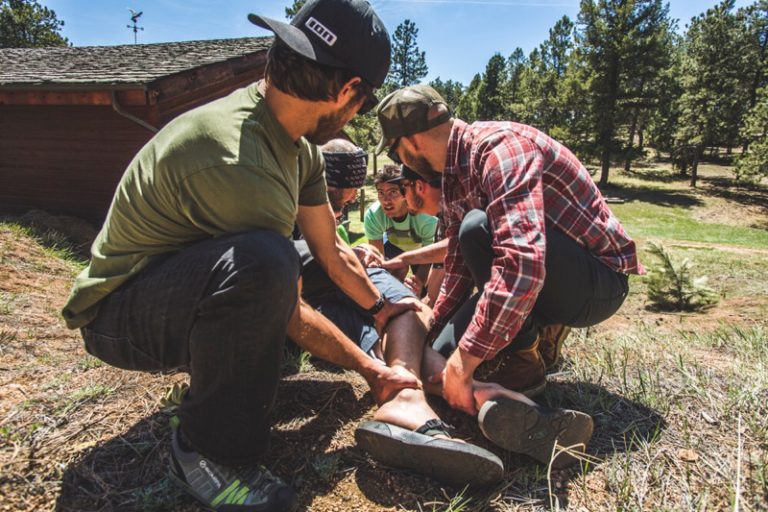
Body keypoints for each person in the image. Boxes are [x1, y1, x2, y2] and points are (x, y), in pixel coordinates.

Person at [61, 2, 419, 511]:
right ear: (346, 91)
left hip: (184, 282)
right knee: (267, 262)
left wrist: (384, 310)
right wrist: (369, 369)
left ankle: (281, 357)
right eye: (363, 103)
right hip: (118, 314)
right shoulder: (237, 156)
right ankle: (208, 449)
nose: (357, 114)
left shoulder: (300, 148)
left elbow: (331, 250)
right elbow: (286, 303)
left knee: (292, 256)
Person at [375, 85, 644, 454]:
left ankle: (523, 362)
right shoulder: (454, 174)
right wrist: (431, 329)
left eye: (394, 151)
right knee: (437, 350)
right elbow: (457, 267)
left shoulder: (501, 148)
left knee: (476, 227)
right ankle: (517, 404)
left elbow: (522, 265)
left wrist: (466, 359)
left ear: (409, 142)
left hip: (596, 283)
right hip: (542, 284)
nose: (399, 159)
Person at [300, 146, 595, 475]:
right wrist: (385, 305)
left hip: (327, 290)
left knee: (388, 326)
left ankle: (442, 399)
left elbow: (441, 264)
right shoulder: (302, 201)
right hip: (325, 283)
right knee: (401, 315)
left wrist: (396, 286)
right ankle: (469, 397)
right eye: (354, 189)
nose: (358, 197)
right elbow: (326, 253)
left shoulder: (300, 203)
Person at [364, 164, 438, 282]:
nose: (386, 200)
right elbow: (377, 257)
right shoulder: (374, 215)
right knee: (389, 275)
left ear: (405, 194)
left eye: (393, 192)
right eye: (381, 193)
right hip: (394, 246)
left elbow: (430, 257)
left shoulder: (426, 217)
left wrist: (419, 283)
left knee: (424, 286)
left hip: (421, 250)